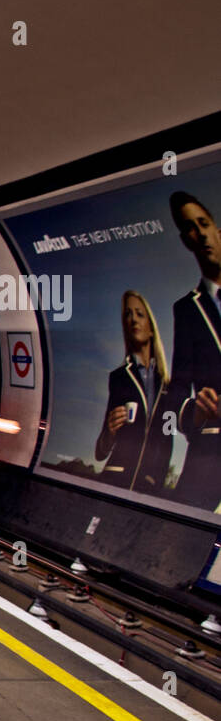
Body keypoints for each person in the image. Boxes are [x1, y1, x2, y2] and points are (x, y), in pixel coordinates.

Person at [165, 191, 221, 509]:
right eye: (189, 227)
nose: (199, 233)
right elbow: (176, 397)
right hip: (208, 456)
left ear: (217, 229)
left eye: (203, 223)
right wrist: (197, 411)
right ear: (186, 240)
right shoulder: (186, 310)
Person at [94, 291, 172, 493]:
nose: (133, 319)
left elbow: (167, 441)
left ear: (151, 329)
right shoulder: (119, 377)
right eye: (128, 314)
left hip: (146, 488)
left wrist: (155, 481)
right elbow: (100, 452)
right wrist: (110, 433)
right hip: (114, 480)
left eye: (139, 314)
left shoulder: (168, 385)